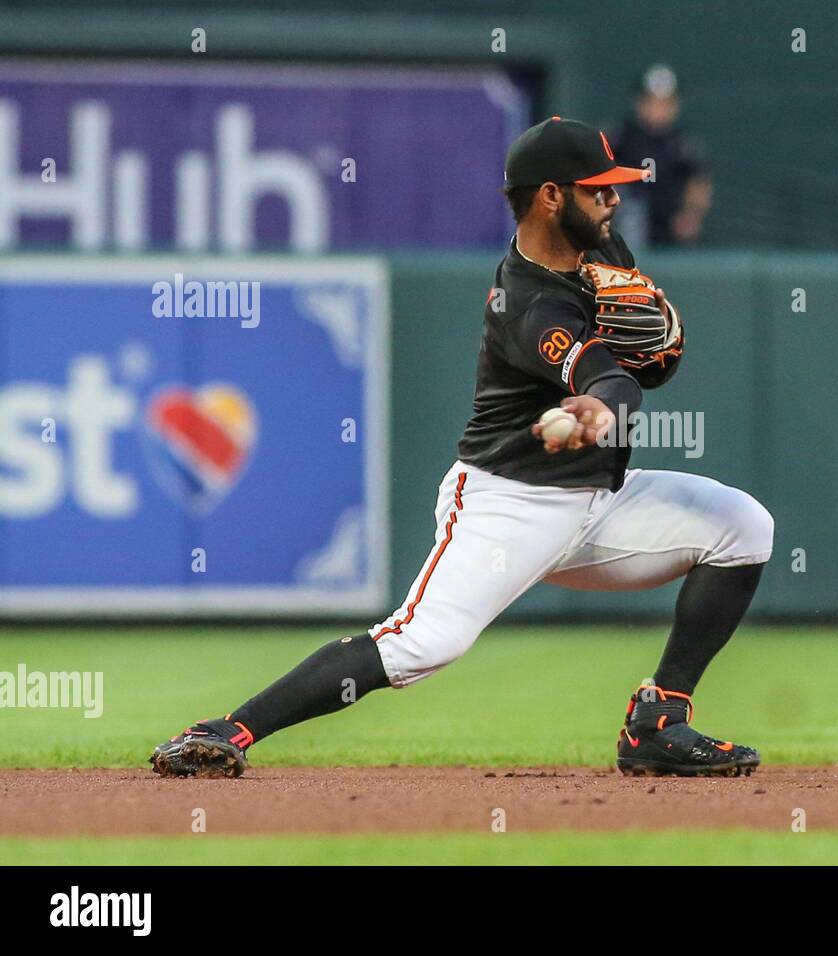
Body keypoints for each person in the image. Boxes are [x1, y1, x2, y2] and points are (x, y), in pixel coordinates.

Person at [150, 117, 773, 780]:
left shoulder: (604, 246)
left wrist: (661, 349)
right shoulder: (528, 303)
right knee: (421, 643)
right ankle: (226, 730)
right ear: (551, 197)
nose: (615, 199)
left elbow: (640, 367)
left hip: (597, 500)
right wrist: (602, 401)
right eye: (599, 189)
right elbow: (611, 379)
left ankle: (658, 722)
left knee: (742, 527)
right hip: (508, 504)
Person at [612, 65, 712, 246]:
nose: (657, 110)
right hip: (625, 227)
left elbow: (698, 183)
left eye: (665, 103)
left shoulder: (683, 143)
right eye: (651, 102)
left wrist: (691, 214)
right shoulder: (621, 137)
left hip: (671, 228)